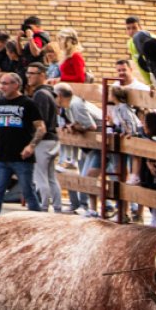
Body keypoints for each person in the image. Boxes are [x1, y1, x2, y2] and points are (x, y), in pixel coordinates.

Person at [0, 73, 44, 219]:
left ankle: (38, 221)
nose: (2, 87)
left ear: (16, 85)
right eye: (1, 83)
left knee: (28, 191)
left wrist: (31, 146)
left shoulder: (27, 103)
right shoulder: (0, 103)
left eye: (5, 83)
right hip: (1, 156)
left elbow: (41, 128)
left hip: (21, 157)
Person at [55, 83, 101, 215]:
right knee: (86, 176)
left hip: (100, 144)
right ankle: (91, 208)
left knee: (89, 176)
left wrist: (75, 127)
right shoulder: (70, 106)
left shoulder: (75, 104)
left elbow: (90, 126)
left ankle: (93, 209)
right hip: (92, 146)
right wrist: (73, 125)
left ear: (59, 96)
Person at [24, 63, 63, 214]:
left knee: (40, 176)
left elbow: (41, 122)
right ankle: (58, 208)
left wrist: (32, 142)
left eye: (32, 73)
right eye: (28, 73)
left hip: (44, 139)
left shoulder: (40, 95)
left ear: (42, 75)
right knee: (51, 176)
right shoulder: (49, 93)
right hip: (52, 139)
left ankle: (43, 207)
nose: (29, 76)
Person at [124, 16, 154, 88]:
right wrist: (149, 83)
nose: (131, 31)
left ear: (140, 28)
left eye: (134, 28)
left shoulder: (150, 38)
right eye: (128, 28)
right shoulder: (130, 43)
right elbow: (140, 65)